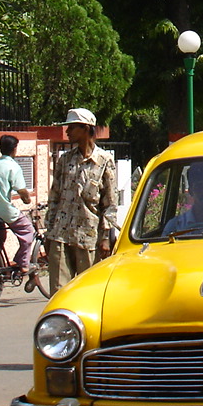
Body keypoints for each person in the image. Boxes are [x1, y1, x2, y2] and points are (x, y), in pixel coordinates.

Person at [45, 108, 118, 292]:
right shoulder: (65, 160)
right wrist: (49, 230)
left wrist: (105, 238)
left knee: (87, 292)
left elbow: (109, 203)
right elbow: (54, 196)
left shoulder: (104, 161)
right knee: (59, 293)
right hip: (61, 235)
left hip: (88, 237)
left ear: (85, 129)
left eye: (72, 127)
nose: (67, 132)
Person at [0, 134, 35, 272]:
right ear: (14, 149)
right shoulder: (12, 167)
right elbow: (22, 191)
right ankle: (23, 263)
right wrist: (27, 200)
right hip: (3, 211)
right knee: (28, 231)